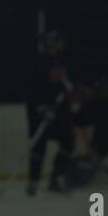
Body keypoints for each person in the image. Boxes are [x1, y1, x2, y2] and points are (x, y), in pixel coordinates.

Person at [24, 29, 76, 195]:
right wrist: (41, 107)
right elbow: (31, 87)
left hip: (59, 111)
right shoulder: (37, 62)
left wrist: (71, 92)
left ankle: (57, 178)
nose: (59, 45)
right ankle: (33, 182)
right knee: (39, 146)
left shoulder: (62, 62)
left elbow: (67, 86)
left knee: (68, 141)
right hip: (40, 112)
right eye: (55, 41)